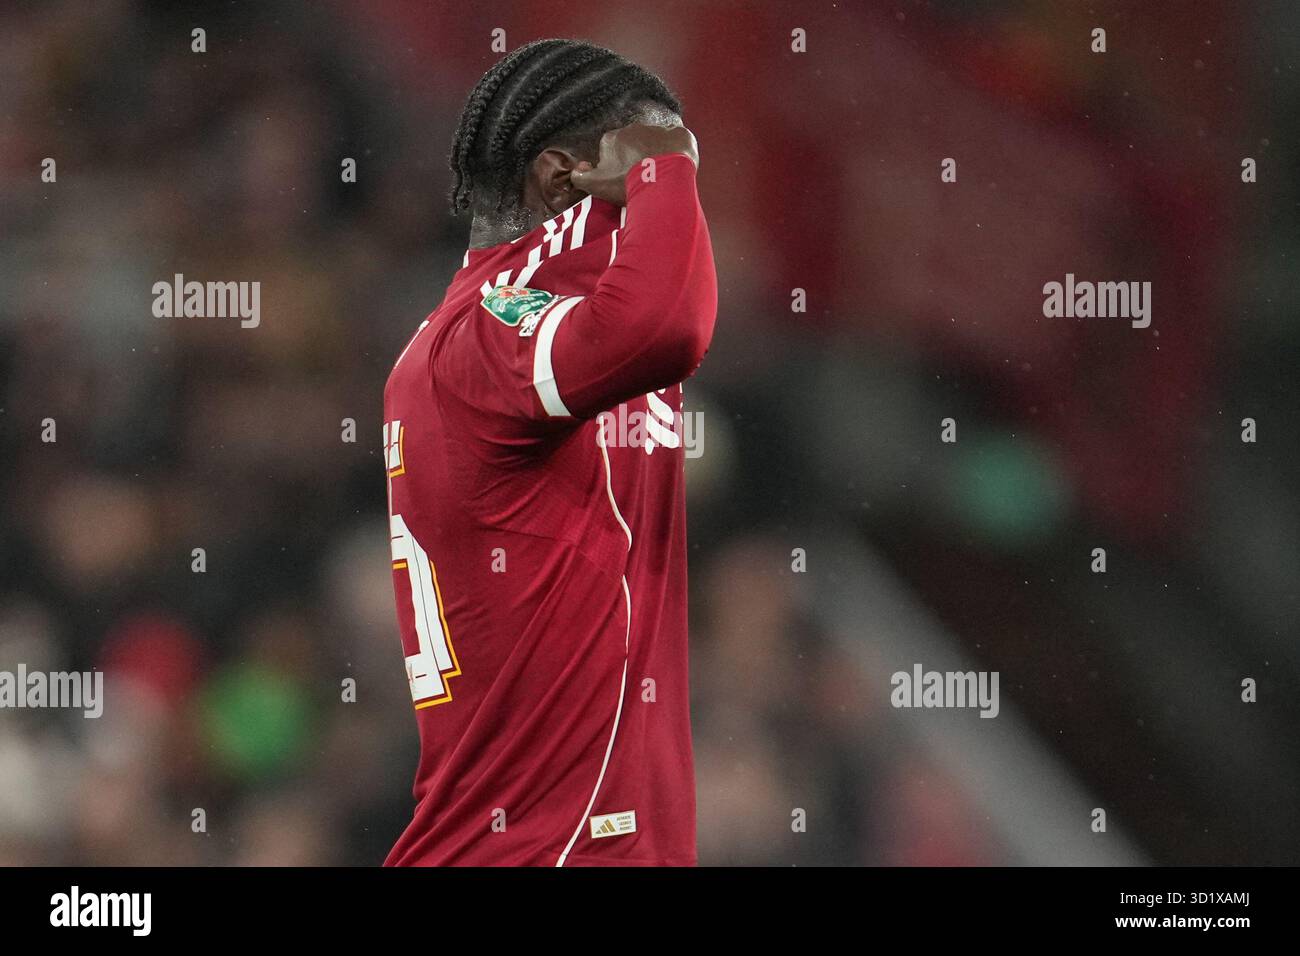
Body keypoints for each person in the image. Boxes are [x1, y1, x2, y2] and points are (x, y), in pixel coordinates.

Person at [382, 38, 717, 866]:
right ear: (564, 179)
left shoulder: (553, 347)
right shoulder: (489, 334)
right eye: (641, 174)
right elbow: (667, 323)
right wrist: (667, 165)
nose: (668, 210)